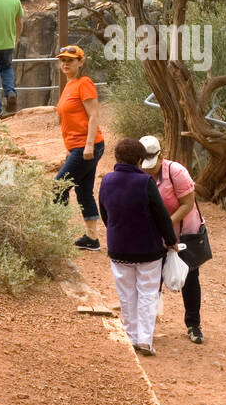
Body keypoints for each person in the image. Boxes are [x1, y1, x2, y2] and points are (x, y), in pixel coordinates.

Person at [99, 137, 180, 357]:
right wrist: (171, 240)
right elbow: (161, 215)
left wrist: (116, 230)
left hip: (119, 248)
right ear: (139, 159)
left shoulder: (106, 181)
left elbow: (104, 212)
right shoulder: (145, 182)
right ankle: (145, 340)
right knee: (147, 293)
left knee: (126, 295)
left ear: (117, 157)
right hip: (148, 249)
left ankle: (131, 336)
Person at [139, 135, 207, 344]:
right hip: (156, 234)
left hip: (184, 232)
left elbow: (187, 204)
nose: (149, 168)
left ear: (162, 156)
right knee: (151, 277)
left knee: (190, 277)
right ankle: (147, 323)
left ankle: (193, 325)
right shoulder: (139, 172)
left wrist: (166, 224)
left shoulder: (176, 172)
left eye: (152, 163)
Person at [51, 45, 105, 249]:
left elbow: (94, 116)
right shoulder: (70, 84)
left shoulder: (84, 83)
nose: (65, 63)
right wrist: (70, 149)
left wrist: (88, 145)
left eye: (70, 60)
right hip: (78, 147)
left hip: (88, 146)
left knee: (59, 185)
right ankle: (92, 238)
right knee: (83, 191)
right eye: (63, 60)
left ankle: (57, 235)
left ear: (81, 62)